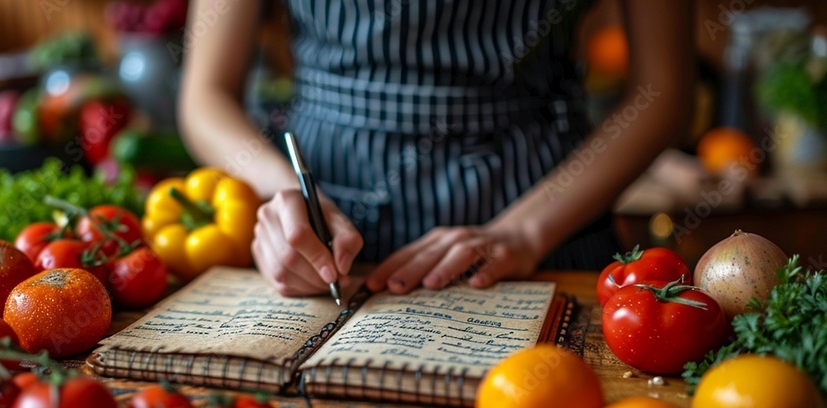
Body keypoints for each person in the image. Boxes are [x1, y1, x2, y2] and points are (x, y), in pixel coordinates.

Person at [178, 0, 694, 296]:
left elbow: (664, 94)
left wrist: (523, 231)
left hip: (545, 229)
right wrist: (288, 196)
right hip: (323, 236)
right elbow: (205, 97)